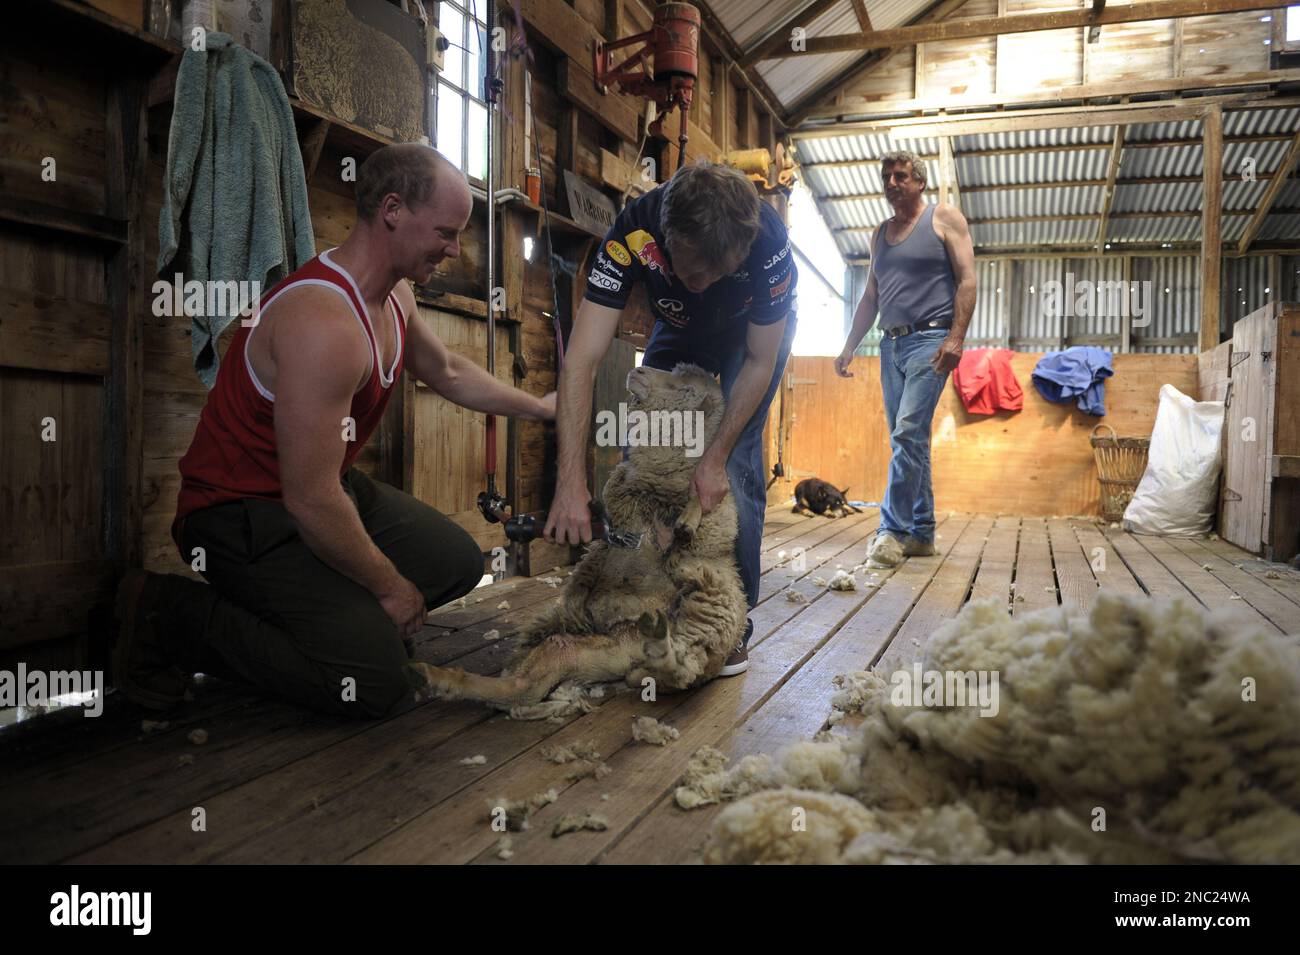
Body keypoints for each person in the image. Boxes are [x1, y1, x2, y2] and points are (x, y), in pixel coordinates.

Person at [114, 144, 555, 718]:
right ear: (392, 209)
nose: (453, 249)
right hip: (235, 515)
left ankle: (339, 621)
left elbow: (445, 370)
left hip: (318, 492)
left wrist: (541, 408)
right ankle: (164, 615)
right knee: (377, 683)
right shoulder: (324, 324)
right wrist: (390, 590)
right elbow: (310, 498)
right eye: (446, 233)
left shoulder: (395, 294)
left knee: (457, 561)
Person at [545, 161, 798, 676]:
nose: (702, 283)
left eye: (716, 272)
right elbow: (582, 359)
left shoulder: (769, 245)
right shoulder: (634, 230)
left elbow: (758, 359)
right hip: (677, 326)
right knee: (644, 454)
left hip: (749, 341)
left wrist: (714, 457)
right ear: (668, 235)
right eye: (692, 268)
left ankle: (725, 626)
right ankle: (637, 602)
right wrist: (569, 482)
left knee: (736, 469)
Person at [835, 150, 976, 567]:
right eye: (886, 176)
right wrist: (848, 346)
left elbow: (968, 279)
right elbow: (871, 297)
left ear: (920, 182)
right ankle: (922, 532)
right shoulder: (878, 234)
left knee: (907, 433)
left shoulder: (943, 218)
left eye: (901, 175)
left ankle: (890, 532)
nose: (892, 182)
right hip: (890, 346)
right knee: (910, 440)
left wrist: (956, 338)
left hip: (930, 342)